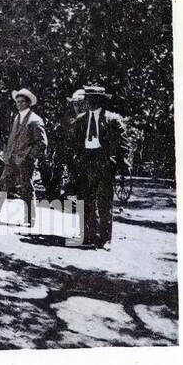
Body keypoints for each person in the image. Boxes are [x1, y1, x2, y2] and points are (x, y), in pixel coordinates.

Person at [71, 84, 127, 249]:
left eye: (94, 98)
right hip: (86, 161)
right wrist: (77, 159)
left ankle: (104, 238)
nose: (90, 102)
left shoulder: (112, 119)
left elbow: (123, 144)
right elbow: (75, 143)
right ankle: (88, 235)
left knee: (103, 201)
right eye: (88, 98)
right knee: (86, 199)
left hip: (104, 162)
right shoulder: (81, 120)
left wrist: (118, 164)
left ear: (100, 100)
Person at [0, 88, 47, 226]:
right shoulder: (17, 118)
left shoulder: (35, 120)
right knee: (2, 185)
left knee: (26, 189)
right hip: (12, 159)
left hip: (25, 160)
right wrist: (8, 154)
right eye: (17, 101)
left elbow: (42, 143)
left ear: (28, 103)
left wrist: (30, 157)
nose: (19, 104)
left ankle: (31, 219)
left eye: (22, 102)